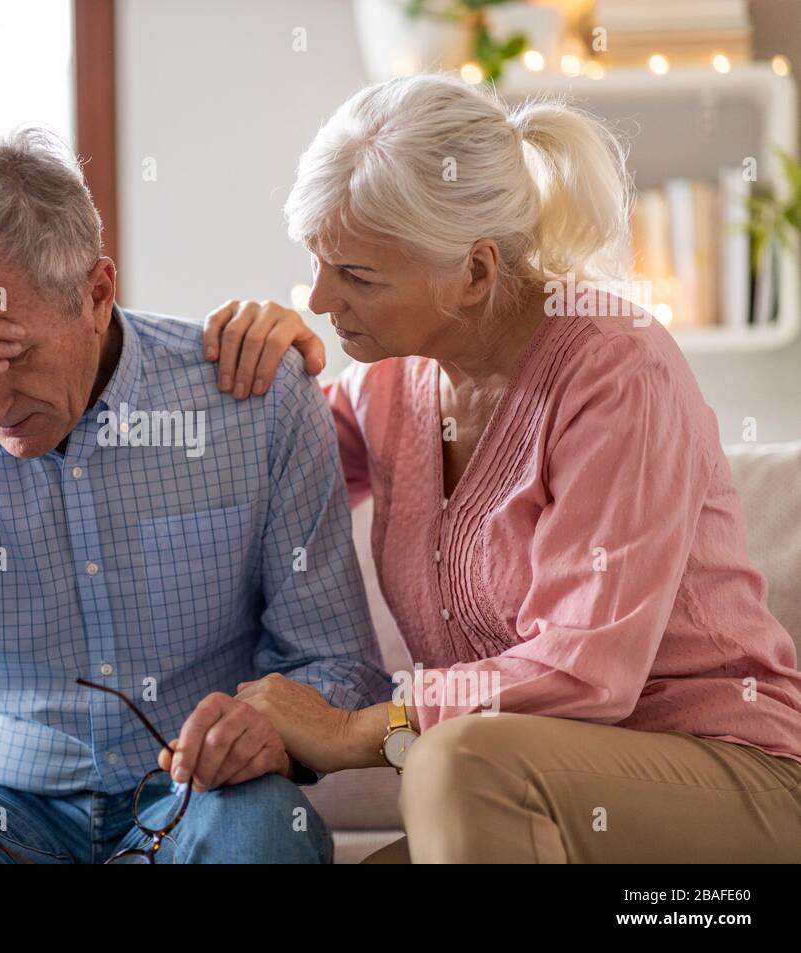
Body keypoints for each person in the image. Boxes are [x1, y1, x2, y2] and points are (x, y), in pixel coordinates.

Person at [205, 73, 801, 863]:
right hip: (520, 782)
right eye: (317, 262)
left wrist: (357, 728)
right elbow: (251, 479)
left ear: (478, 271)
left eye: (357, 276)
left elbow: (589, 673)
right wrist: (267, 364)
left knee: (453, 762)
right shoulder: (388, 384)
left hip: (728, 776)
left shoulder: (617, 369)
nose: (319, 297)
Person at [0, 127, 392, 864]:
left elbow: (338, 664)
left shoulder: (253, 400)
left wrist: (273, 732)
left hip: (192, 801)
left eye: (11, 353)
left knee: (263, 825)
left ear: (97, 293)